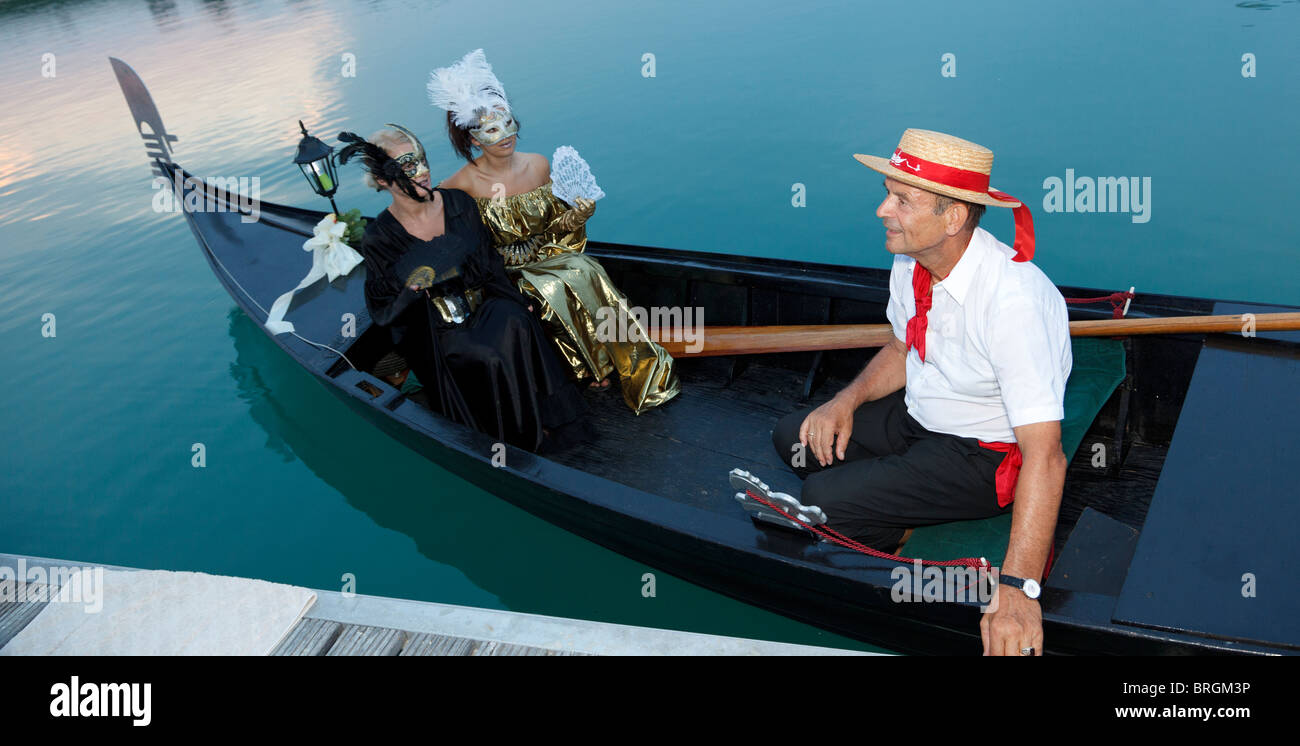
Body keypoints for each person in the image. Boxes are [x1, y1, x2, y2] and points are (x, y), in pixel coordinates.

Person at [770, 129, 1072, 656]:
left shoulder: (1014, 303)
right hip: (921, 418)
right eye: (888, 192)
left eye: (901, 199)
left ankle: (907, 531)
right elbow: (901, 346)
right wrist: (847, 401)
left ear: (952, 217)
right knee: (794, 437)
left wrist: (1019, 588)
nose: (882, 210)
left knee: (822, 503)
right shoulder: (913, 257)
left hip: (981, 454)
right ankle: (890, 498)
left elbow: (1046, 457)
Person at [428, 49, 680, 415]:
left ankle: (637, 370)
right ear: (473, 139)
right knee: (550, 288)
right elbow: (452, 239)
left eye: (508, 122)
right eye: (491, 129)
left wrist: (578, 216)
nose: (505, 134)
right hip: (502, 273)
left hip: (548, 253)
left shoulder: (538, 164)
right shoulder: (460, 185)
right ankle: (586, 368)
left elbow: (556, 230)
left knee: (587, 271)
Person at [340, 124, 587, 452]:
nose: (424, 171)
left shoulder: (458, 203)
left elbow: (489, 263)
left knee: (517, 319)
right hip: (437, 327)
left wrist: (515, 299)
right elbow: (384, 308)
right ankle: (517, 439)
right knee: (485, 352)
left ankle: (550, 419)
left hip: (484, 303)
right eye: (408, 166)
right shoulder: (380, 237)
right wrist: (411, 290)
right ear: (384, 180)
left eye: (422, 160)